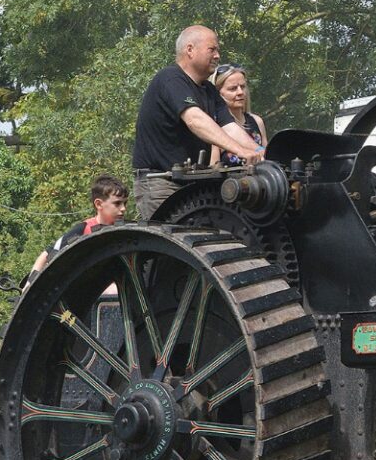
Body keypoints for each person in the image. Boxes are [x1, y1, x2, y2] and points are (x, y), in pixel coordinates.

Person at [131, 25, 266, 219]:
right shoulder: (170, 79)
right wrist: (240, 151)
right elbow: (195, 119)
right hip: (161, 183)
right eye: (212, 49)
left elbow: (230, 128)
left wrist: (261, 153)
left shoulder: (209, 90)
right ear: (190, 50)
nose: (218, 55)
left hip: (190, 184)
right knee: (171, 245)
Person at [29, 174, 129, 280]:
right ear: (99, 204)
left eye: (125, 203)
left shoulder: (127, 230)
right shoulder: (83, 229)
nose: (123, 209)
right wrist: (29, 283)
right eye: (117, 203)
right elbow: (47, 254)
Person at [209, 64, 267, 167]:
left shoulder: (257, 121)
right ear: (218, 93)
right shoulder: (214, 127)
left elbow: (268, 159)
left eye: (243, 86)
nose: (240, 92)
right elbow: (213, 170)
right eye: (233, 88)